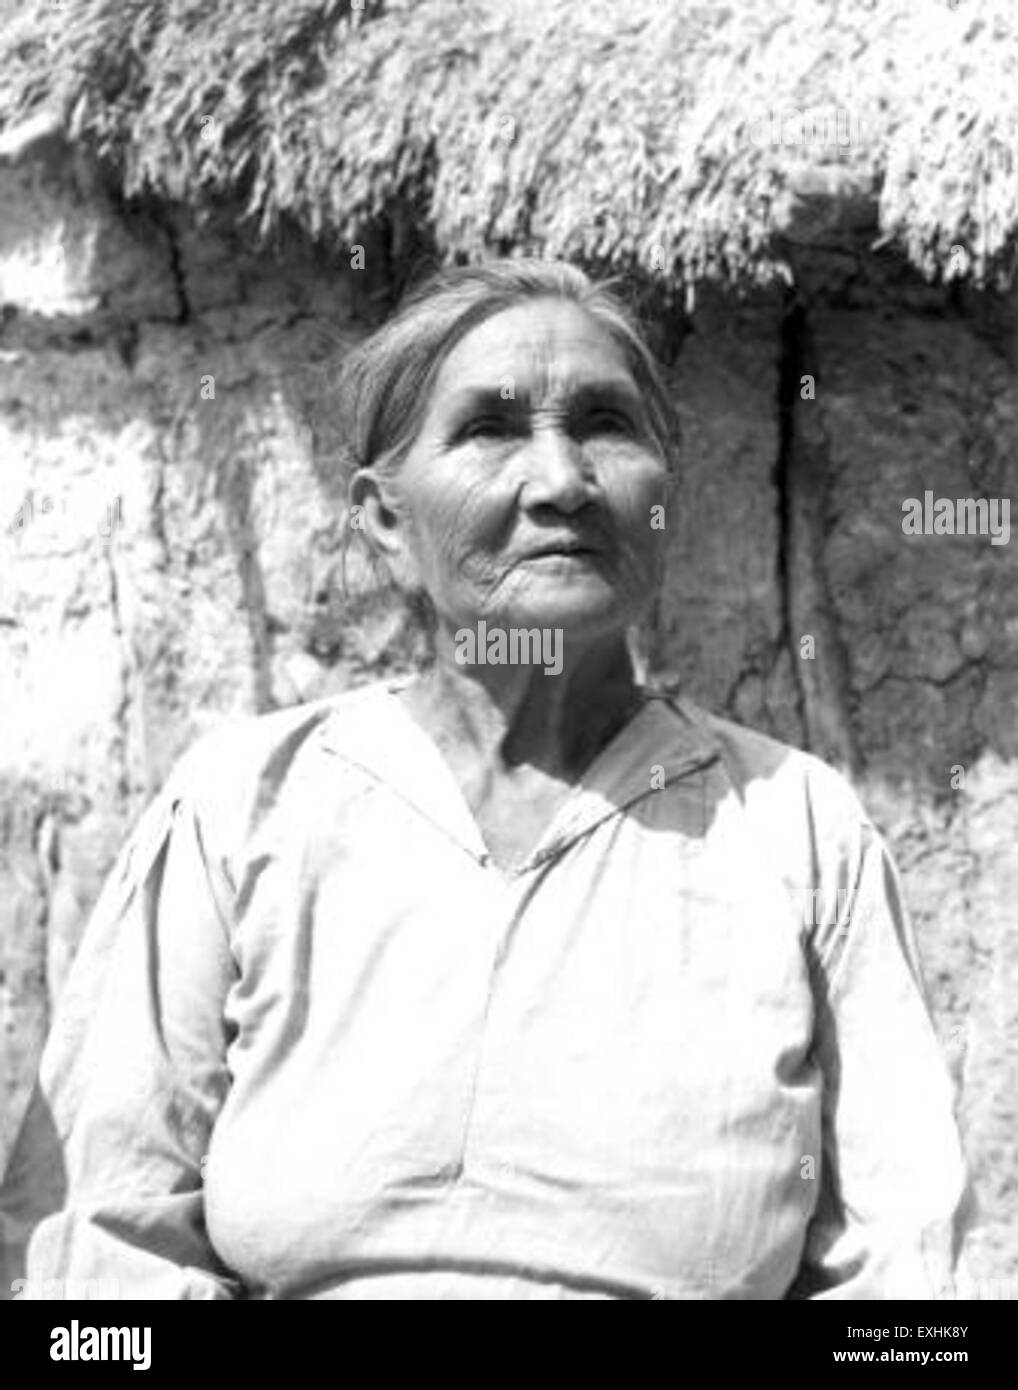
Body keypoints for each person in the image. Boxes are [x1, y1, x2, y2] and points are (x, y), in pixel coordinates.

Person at [1, 259, 969, 1300]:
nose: (561, 481)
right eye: (490, 430)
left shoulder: (793, 828)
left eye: (605, 424)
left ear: (663, 502)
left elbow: (906, 1266)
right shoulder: (247, 805)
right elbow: (104, 1238)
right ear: (384, 519)